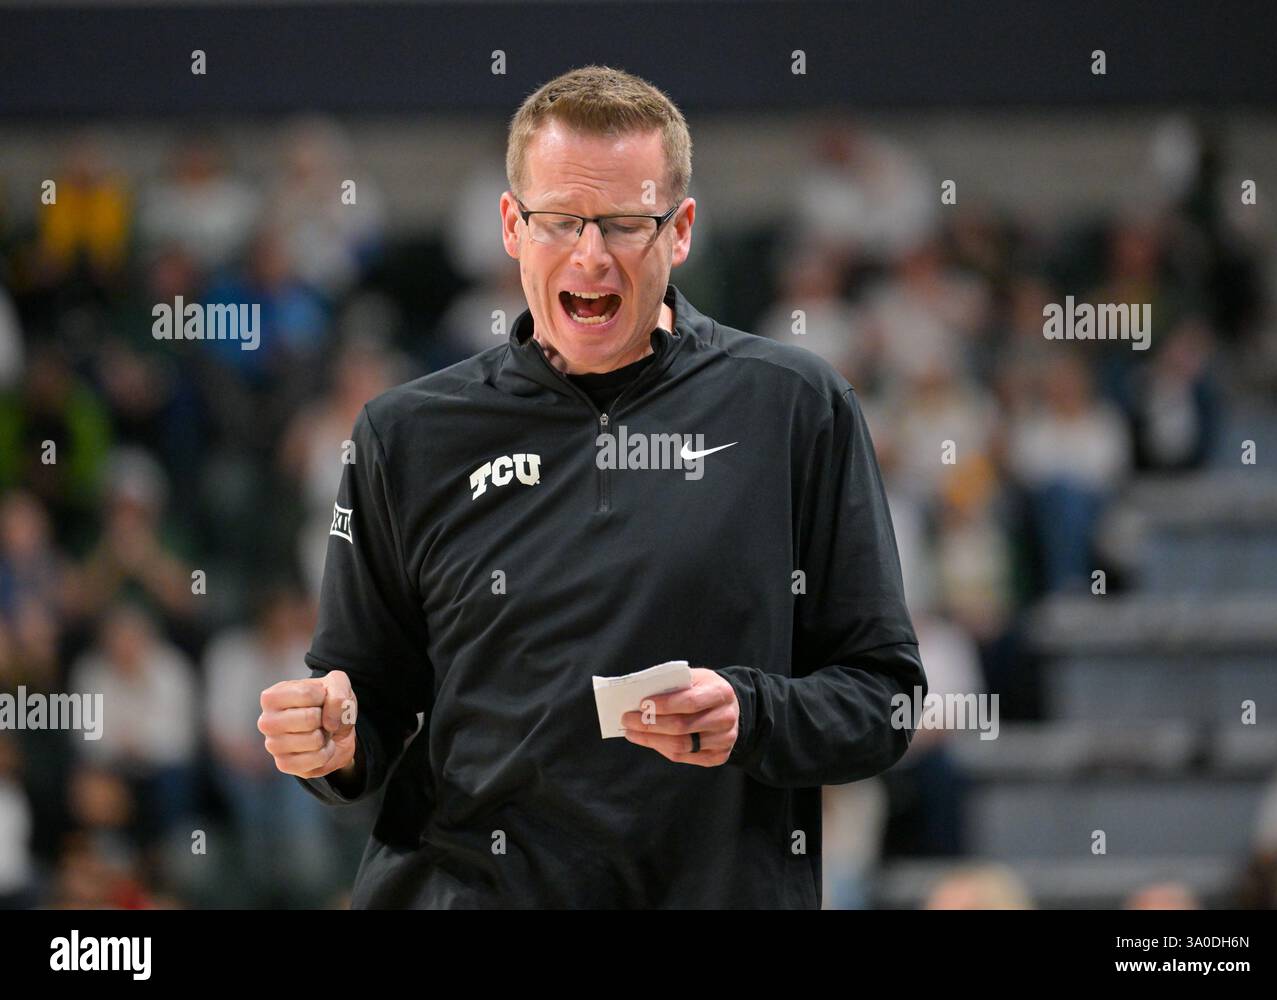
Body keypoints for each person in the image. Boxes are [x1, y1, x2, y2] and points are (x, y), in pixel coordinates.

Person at [258, 65, 926, 908]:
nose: (591, 254)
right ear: (510, 224)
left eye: (623, 225)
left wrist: (751, 716)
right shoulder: (404, 435)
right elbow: (363, 705)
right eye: (560, 221)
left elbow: (885, 703)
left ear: (680, 230)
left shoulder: (795, 409)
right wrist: (329, 740)